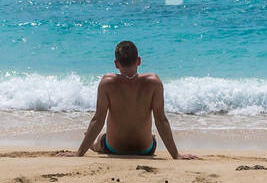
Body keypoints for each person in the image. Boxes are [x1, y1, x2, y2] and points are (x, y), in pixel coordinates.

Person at [65, 41, 196, 159]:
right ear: (139, 61)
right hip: (146, 150)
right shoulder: (153, 82)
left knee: (100, 140)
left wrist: (79, 153)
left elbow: (98, 120)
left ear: (116, 64)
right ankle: (149, 136)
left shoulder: (107, 83)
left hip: (114, 149)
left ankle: (93, 143)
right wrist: (176, 155)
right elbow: (161, 120)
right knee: (151, 136)